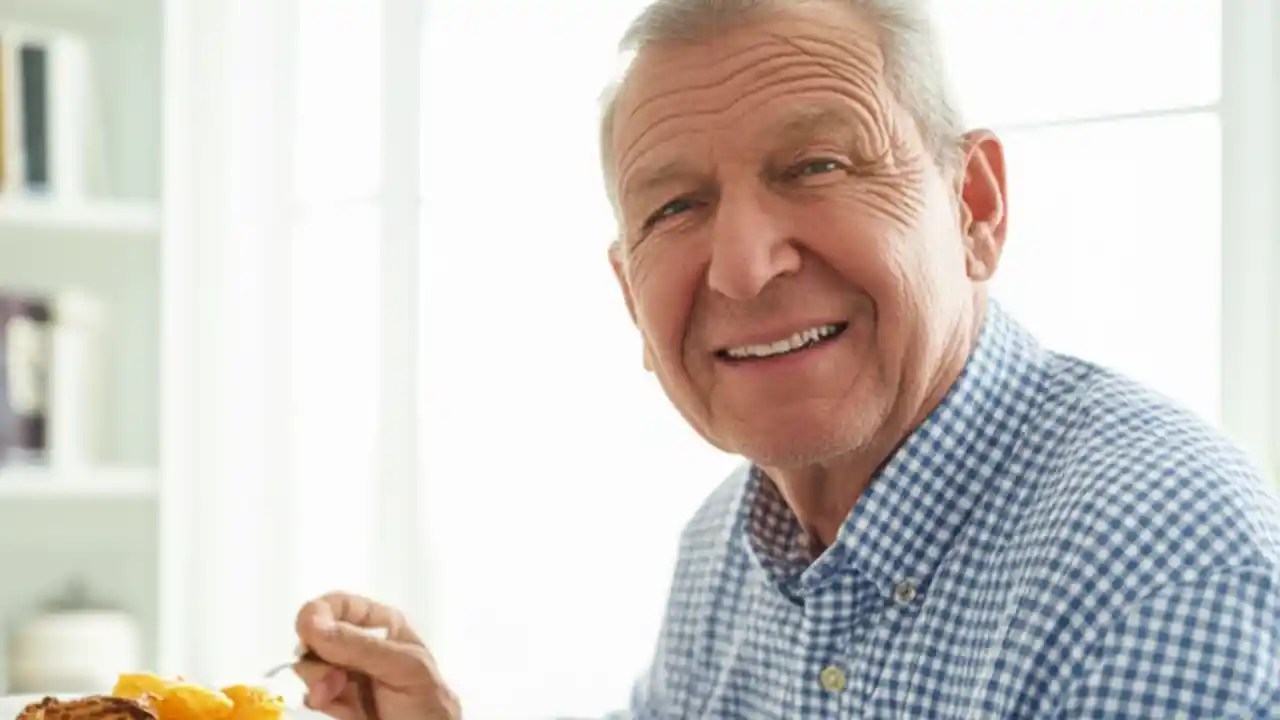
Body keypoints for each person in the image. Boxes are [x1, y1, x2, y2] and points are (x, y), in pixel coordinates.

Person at [292, 0, 1280, 717]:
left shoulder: (1165, 566)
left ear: (973, 208)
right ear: (630, 296)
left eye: (815, 166)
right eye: (675, 207)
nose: (742, 267)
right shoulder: (724, 548)